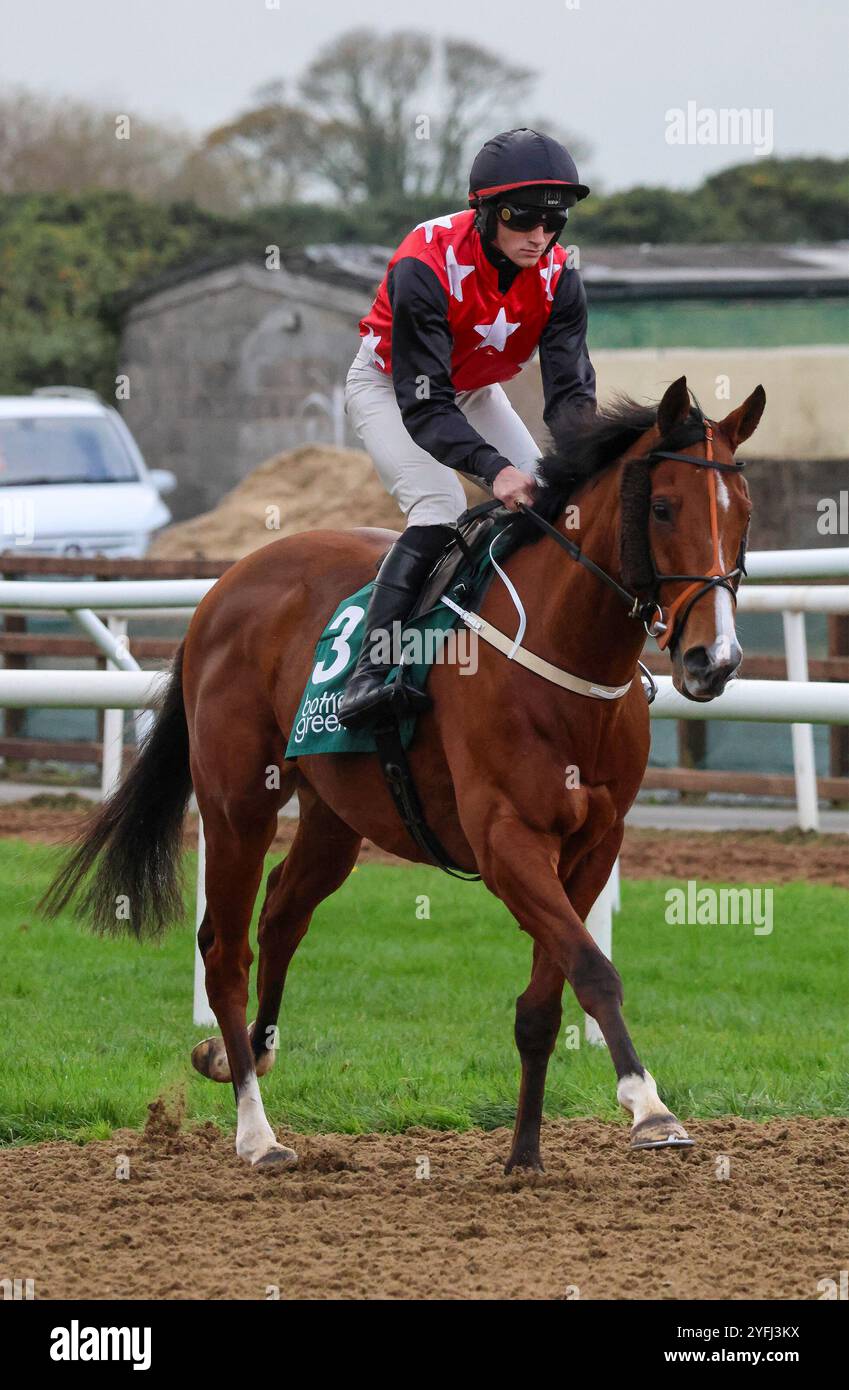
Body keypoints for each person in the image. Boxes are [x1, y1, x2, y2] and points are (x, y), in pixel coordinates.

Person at [339, 126, 596, 729]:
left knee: (555, 502)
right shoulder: (423, 265)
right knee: (439, 504)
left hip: (474, 389)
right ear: (485, 211)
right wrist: (492, 469)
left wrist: (593, 464)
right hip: (394, 388)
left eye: (553, 222)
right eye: (524, 219)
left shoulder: (561, 280)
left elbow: (569, 399)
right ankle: (369, 673)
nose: (539, 237)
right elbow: (425, 405)